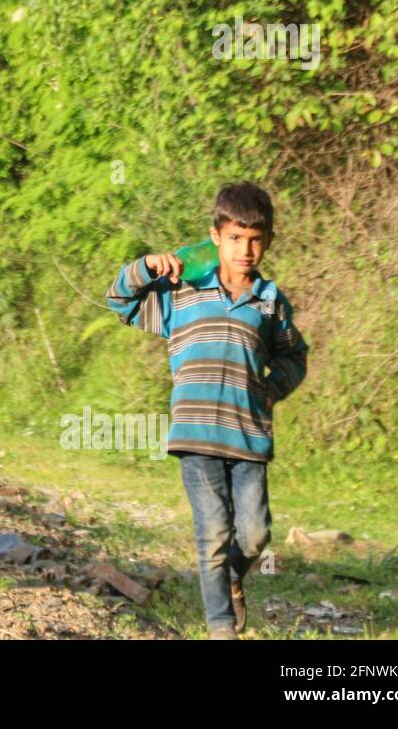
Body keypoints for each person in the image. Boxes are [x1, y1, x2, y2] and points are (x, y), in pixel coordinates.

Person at [106, 182, 308, 639]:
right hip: (195, 436)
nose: (246, 249)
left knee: (254, 534)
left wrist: (270, 390)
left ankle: (234, 576)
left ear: (268, 241)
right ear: (215, 236)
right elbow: (119, 302)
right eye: (235, 238)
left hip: (249, 436)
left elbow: (295, 356)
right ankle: (220, 626)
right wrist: (144, 266)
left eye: (256, 239)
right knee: (213, 533)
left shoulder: (271, 302)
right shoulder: (182, 293)